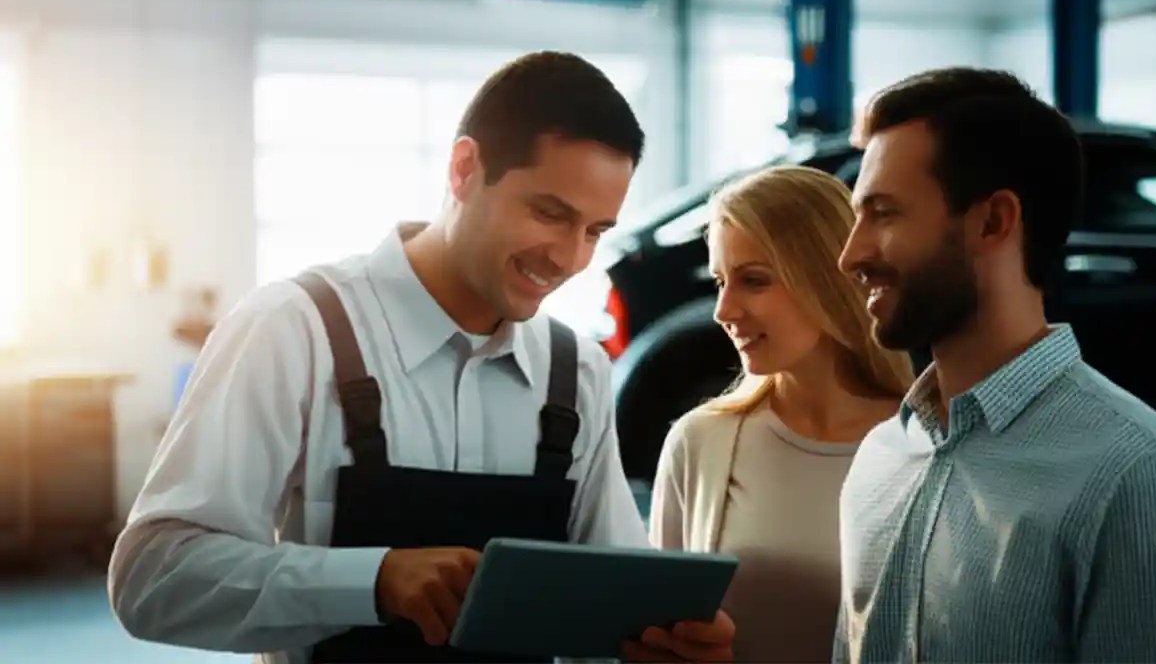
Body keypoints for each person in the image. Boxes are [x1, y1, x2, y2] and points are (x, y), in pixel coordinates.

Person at [108, 51, 734, 664]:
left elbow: (605, 609)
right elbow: (151, 579)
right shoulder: (294, 331)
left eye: (594, 230)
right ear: (464, 170)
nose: (570, 257)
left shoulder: (576, 373)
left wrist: (659, 638)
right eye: (550, 213)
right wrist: (372, 582)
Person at [832, 66, 1156, 662]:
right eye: (857, 216)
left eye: (885, 213)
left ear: (994, 221)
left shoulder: (1138, 483)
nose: (851, 255)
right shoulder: (879, 460)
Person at [648, 165, 915, 662]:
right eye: (720, 281)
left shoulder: (927, 446)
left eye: (753, 280)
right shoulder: (700, 443)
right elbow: (658, 636)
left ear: (827, 279)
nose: (723, 310)